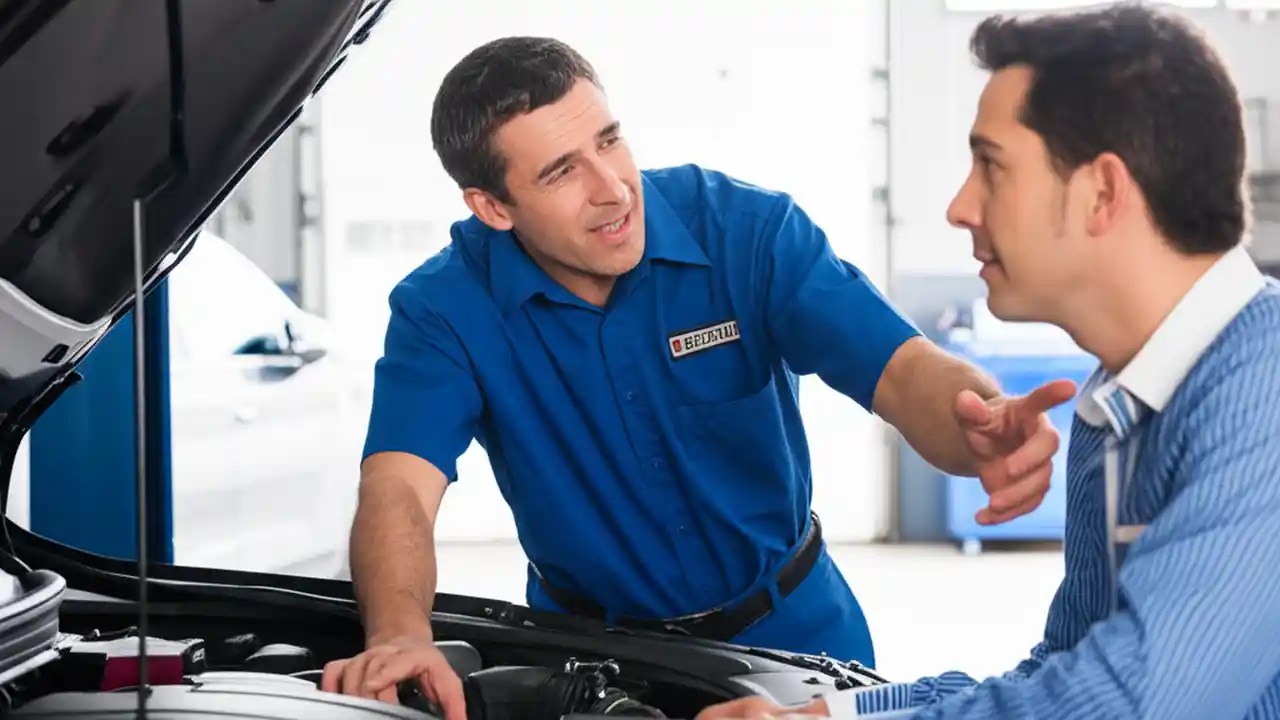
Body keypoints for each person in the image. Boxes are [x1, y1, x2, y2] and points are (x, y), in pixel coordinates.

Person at [318, 36, 1075, 717]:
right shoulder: (443, 307)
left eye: (609, 141)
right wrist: (398, 635)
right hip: (586, 661)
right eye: (561, 172)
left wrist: (979, 419)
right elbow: (398, 489)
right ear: (492, 206)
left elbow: (903, 371)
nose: (612, 187)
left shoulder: (747, 232)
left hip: (795, 636)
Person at [696, 4, 1280, 720]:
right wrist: (830, 716)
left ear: (1102, 192)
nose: (959, 206)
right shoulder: (1113, 409)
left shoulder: (1266, 389)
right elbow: (1066, 672)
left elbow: (1139, 699)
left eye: (991, 166)